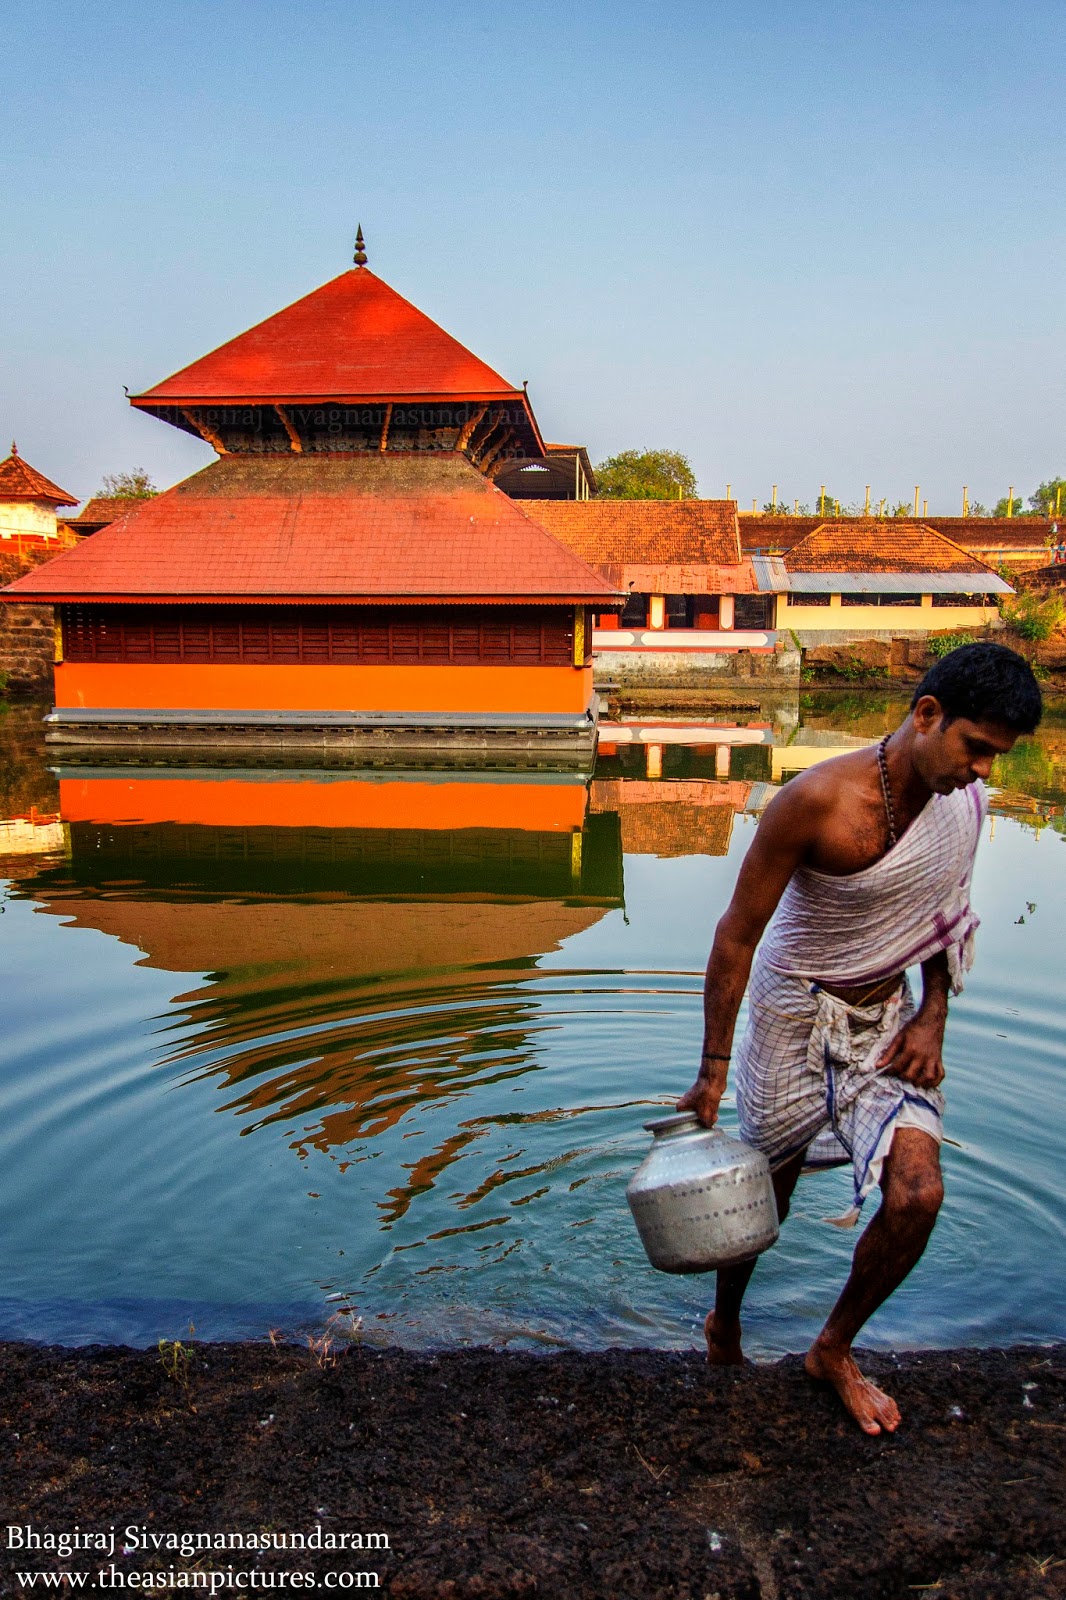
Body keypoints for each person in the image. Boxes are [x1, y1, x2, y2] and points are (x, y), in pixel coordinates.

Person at [677, 642, 1042, 1435]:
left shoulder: (964, 807)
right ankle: (725, 1322)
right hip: (793, 1013)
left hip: (887, 1022)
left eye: (997, 758)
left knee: (919, 1194)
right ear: (926, 716)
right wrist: (712, 1071)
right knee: (760, 1200)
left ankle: (832, 1348)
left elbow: (948, 916)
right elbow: (737, 937)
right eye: (976, 748)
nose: (983, 771)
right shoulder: (812, 802)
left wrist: (932, 1015)